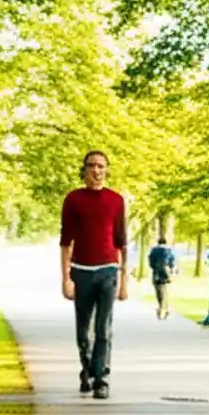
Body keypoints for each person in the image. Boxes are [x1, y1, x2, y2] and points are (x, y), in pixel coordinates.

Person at [60, 150, 128, 400]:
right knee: (83, 330)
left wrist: (124, 281)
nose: (97, 171)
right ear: (85, 169)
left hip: (108, 270)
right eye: (92, 166)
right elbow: (66, 241)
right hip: (82, 271)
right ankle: (87, 368)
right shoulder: (73, 199)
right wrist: (65, 278)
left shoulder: (116, 200)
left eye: (101, 166)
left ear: (107, 170)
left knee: (104, 328)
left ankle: (101, 378)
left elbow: (121, 241)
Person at [148, 237, 178, 320]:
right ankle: (165, 308)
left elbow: (151, 263)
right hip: (165, 273)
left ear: (158, 242)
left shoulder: (154, 250)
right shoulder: (168, 250)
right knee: (164, 290)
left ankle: (161, 306)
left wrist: (154, 267)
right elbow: (172, 262)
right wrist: (172, 271)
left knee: (158, 290)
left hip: (156, 273)